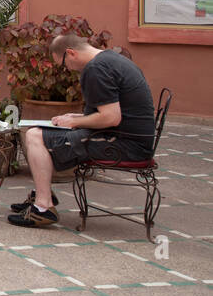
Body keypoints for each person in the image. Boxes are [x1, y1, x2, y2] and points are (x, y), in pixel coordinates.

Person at [10, 34, 155, 228]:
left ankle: (43, 207)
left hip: (123, 145)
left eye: (63, 64)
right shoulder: (110, 59)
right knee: (38, 132)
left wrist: (74, 124)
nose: (67, 69)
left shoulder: (96, 69)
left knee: (34, 135)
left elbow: (112, 117)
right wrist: (76, 118)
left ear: (70, 53)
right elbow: (113, 113)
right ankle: (43, 193)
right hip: (131, 138)